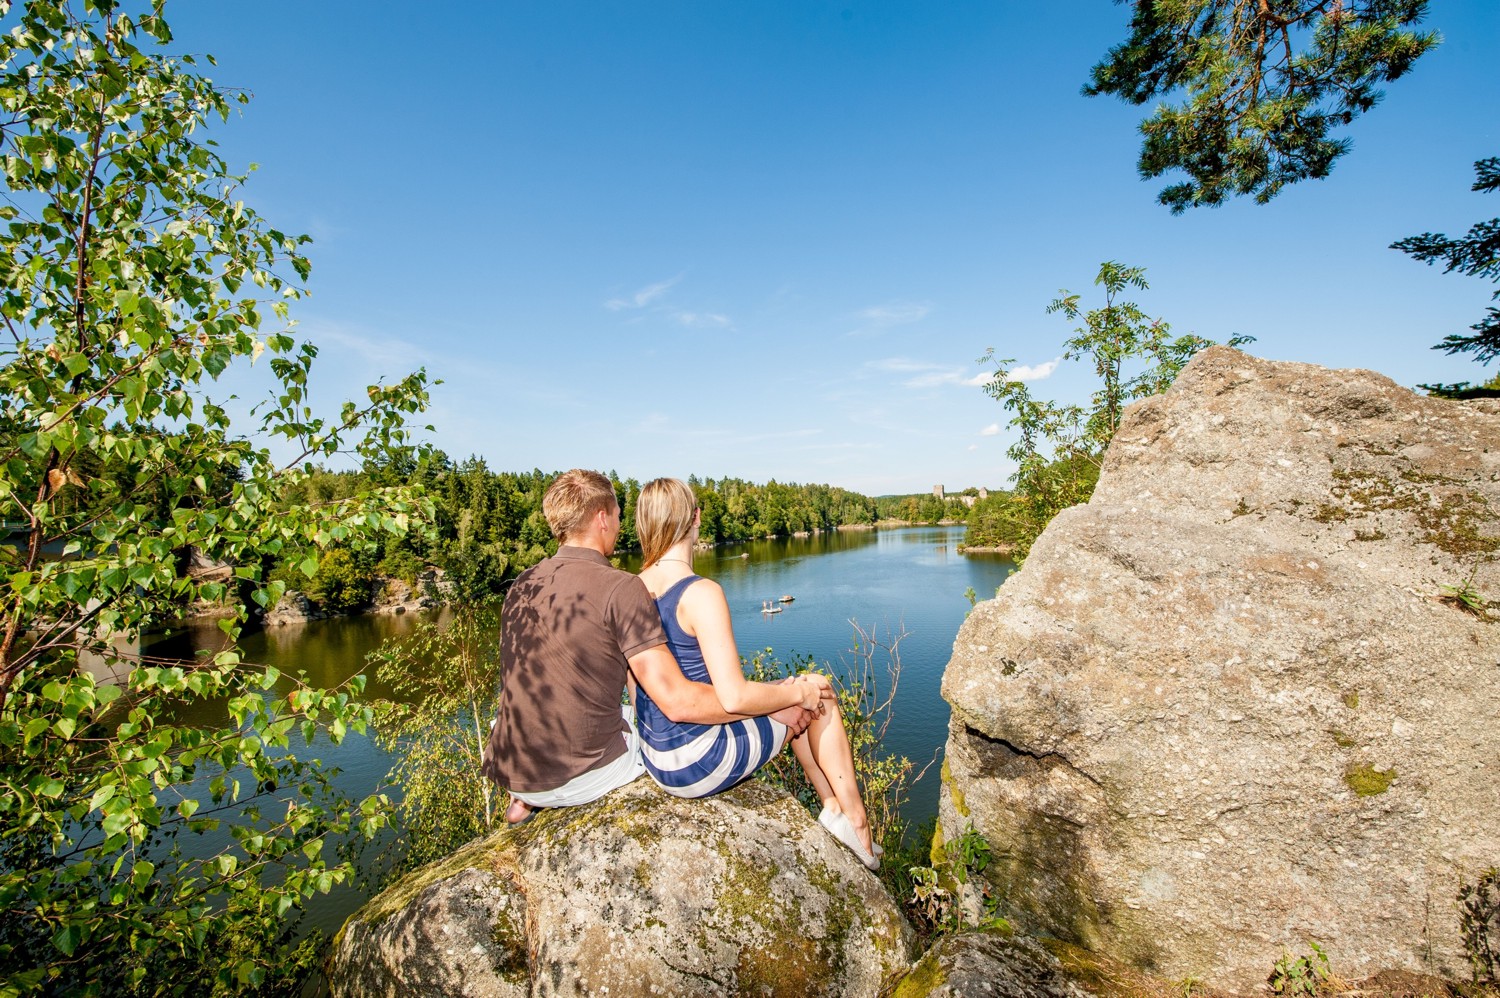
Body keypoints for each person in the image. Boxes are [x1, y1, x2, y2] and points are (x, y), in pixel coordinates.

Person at [480, 469, 819, 827]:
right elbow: (677, 701)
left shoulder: (523, 585)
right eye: (617, 515)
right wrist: (769, 705)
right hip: (578, 778)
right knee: (656, 745)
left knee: (621, 713)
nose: (620, 524)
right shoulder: (619, 587)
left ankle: (525, 800)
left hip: (515, 770)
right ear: (601, 519)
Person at [633, 477, 880, 869]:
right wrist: (795, 695)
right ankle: (858, 824)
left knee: (791, 694)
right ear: (696, 518)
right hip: (700, 759)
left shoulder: (631, 589)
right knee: (818, 694)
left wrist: (782, 697)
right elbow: (734, 698)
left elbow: (637, 691)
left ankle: (833, 808)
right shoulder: (700, 593)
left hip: (656, 756)